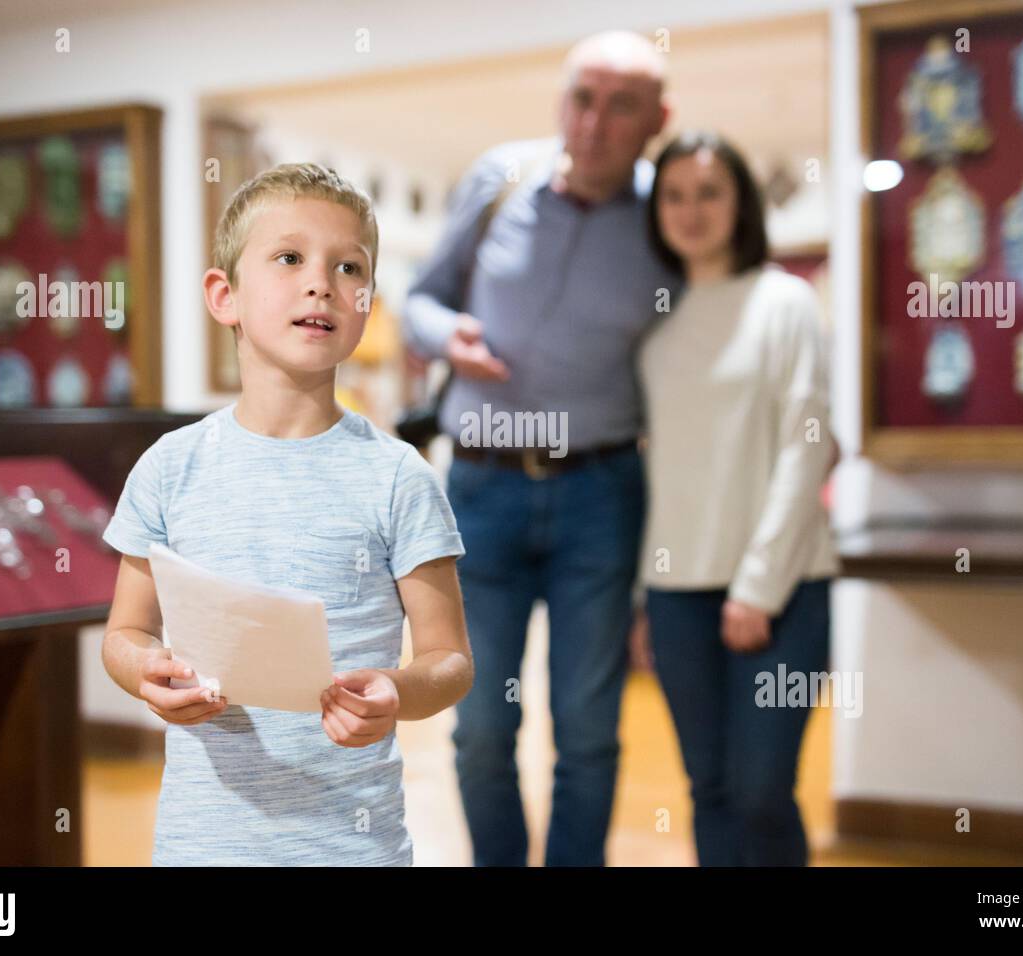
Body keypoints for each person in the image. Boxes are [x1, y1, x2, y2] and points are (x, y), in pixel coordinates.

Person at [100, 163, 472, 866]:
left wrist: (395, 689)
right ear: (224, 295)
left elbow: (449, 660)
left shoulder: (398, 478)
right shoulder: (169, 468)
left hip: (352, 846)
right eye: (289, 257)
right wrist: (148, 669)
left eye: (348, 266)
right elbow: (125, 630)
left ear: (366, 301)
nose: (319, 282)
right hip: (201, 846)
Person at [402, 31, 682, 866]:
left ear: (657, 121)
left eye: (620, 105)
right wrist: (449, 336)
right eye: (581, 98)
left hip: (603, 490)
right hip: (481, 492)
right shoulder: (500, 178)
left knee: (589, 729)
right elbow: (418, 297)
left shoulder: (664, 216)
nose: (593, 124)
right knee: (483, 724)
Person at [636, 131, 838, 866]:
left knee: (760, 790)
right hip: (675, 591)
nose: (691, 210)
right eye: (674, 195)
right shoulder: (651, 321)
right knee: (709, 788)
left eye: (709, 192)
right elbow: (646, 468)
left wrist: (757, 588)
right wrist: (638, 597)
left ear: (742, 203)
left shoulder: (786, 301)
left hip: (785, 590)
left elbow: (807, 445)